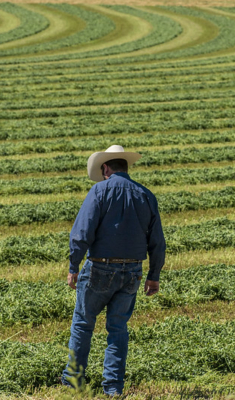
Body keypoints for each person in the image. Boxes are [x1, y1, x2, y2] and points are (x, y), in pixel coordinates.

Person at [61, 145, 166, 396]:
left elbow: (81, 233)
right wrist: (154, 276)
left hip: (99, 267)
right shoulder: (146, 195)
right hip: (132, 272)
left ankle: (74, 380)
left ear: (106, 168)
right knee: (118, 328)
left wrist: (73, 266)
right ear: (125, 168)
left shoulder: (99, 191)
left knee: (83, 324)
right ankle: (113, 387)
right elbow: (158, 242)